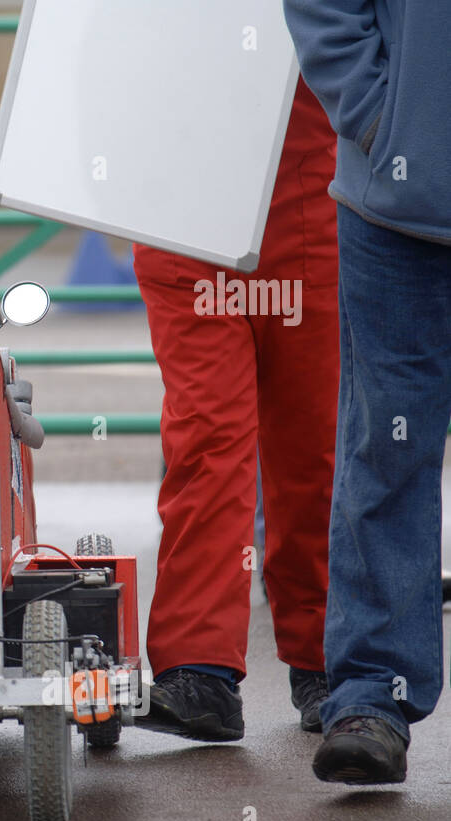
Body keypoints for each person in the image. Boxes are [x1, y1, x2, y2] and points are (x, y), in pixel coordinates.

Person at [131, 77, 339, 741]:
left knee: (315, 442)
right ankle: (201, 670)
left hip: (304, 191)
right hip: (185, 207)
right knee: (209, 438)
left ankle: (328, 657)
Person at [284, 0, 451, 784]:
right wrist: (381, 123)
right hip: (395, 210)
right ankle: (372, 702)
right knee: (385, 454)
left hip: (392, 183)